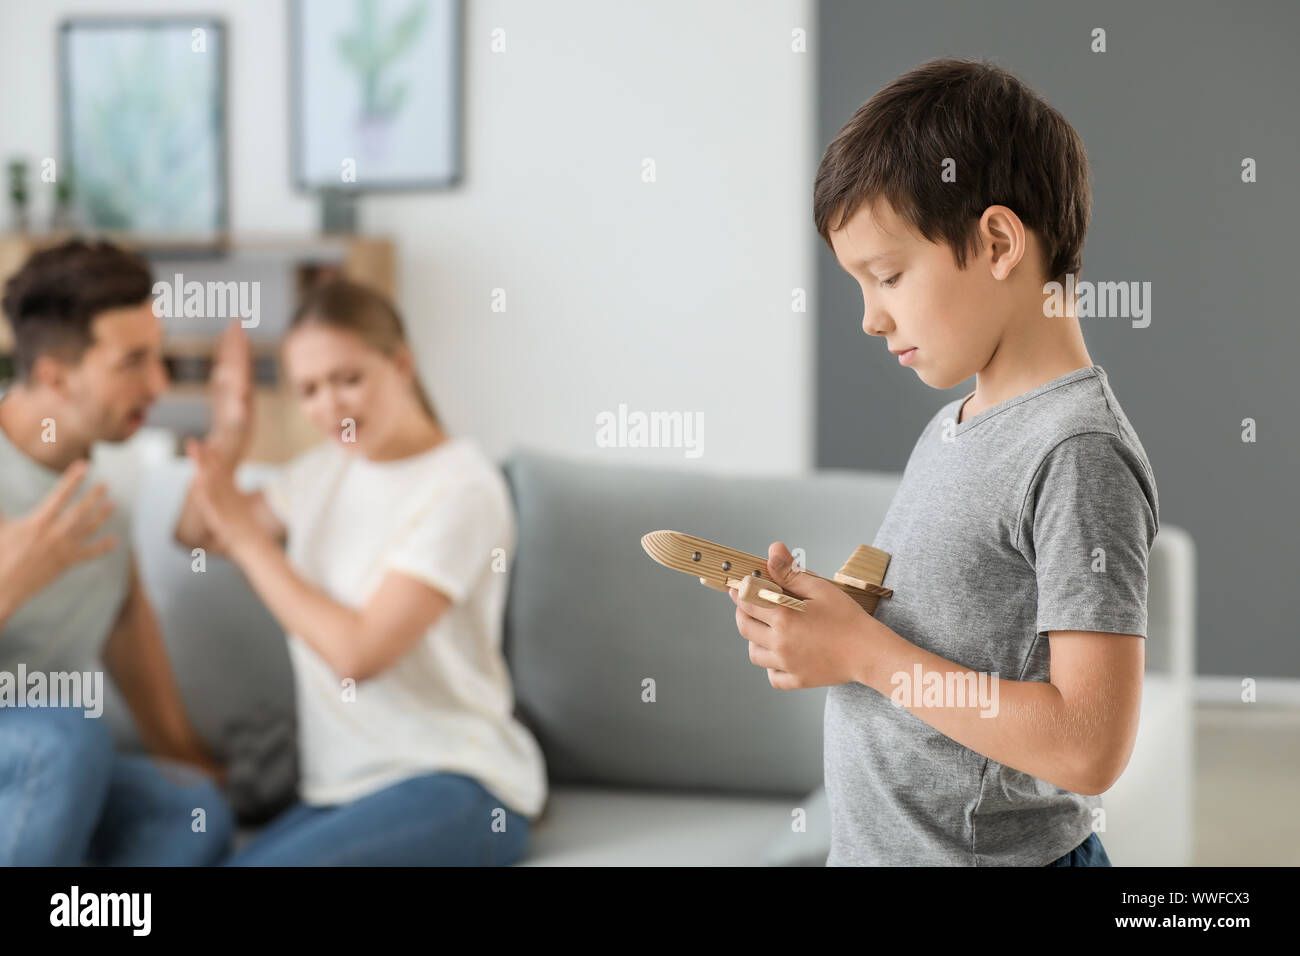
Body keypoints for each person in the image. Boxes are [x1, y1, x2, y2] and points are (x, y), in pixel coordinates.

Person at [727, 58, 1155, 866]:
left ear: (997, 241)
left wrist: (862, 653)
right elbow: (945, 628)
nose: (869, 318)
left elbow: (1089, 745)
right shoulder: (954, 427)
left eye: (886, 275)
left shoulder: (1076, 454)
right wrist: (827, 618)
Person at [176, 278, 546, 866]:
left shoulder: (465, 489)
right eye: (310, 390)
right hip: (340, 791)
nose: (331, 407)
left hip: (454, 781)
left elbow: (359, 653)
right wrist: (231, 431)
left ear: (401, 365)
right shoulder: (321, 473)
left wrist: (250, 543)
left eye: (349, 379)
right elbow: (196, 531)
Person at [0, 239, 234, 865]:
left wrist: (190, 758)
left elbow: (128, 622)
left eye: (158, 357)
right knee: (64, 737)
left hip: (38, 776)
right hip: (38, 750)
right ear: (54, 374)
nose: (158, 384)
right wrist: (10, 582)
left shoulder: (115, 479)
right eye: (133, 362)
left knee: (189, 808)